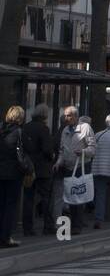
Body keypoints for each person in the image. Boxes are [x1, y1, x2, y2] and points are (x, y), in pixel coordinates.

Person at [53, 106, 95, 234]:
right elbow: (62, 150)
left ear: (76, 116)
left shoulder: (85, 128)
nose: (66, 118)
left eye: (69, 115)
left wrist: (83, 151)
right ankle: (73, 224)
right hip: (68, 167)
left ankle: (77, 226)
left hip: (81, 166)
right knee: (70, 197)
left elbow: (93, 148)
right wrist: (58, 162)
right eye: (65, 115)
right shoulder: (65, 130)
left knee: (78, 196)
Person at [21, 103, 56, 237]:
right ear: (45, 115)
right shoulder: (44, 129)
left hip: (29, 168)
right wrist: (52, 155)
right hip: (42, 169)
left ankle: (27, 228)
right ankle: (48, 226)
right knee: (46, 197)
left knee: (28, 198)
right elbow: (47, 149)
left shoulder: (26, 127)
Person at [0, 105, 26, 248]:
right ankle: (5, 238)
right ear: (20, 118)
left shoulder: (1, 128)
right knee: (10, 205)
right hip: (13, 173)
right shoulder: (19, 132)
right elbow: (23, 152)